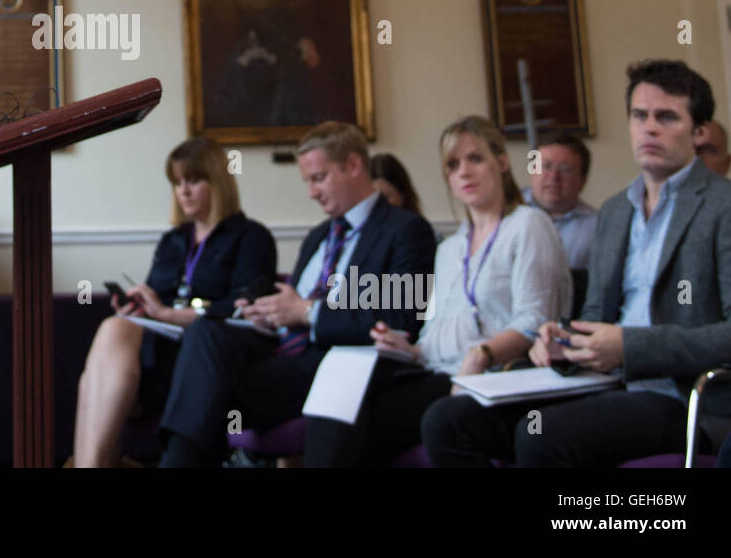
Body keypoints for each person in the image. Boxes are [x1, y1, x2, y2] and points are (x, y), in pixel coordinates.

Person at [422, 60, 731, 467]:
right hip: (600, 383)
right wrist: (560, 339)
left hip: (679, 395)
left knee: (542, 436)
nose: (649, 128)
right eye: (639, 115)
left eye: (666, 117)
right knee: (447, 420)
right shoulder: (614, 212)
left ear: (698, 131)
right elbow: (594, 318)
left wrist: (630, 347)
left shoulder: (725, 205)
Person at [156, 121, 436, 467]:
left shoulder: (405, 230)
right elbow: (290, 309)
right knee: (205, 335)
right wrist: (268, 312)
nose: (311, 193)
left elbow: (400, 320)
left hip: (340, 363)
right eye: (307, 181)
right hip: (286, 356)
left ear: (353, 165)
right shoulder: (318, 236)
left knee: (203, 390)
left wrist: (307, 312)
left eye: (318, 178)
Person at [303, 117, 570, 467]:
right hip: (441, 372)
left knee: (362, 423)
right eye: (453, 164)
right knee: (345, 394)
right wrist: (409, 349)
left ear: (502, 163)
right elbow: (435, 332)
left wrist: (481, 354)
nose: (464, 172)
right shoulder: (450, 247)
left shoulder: (528, 225)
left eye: (475, 158)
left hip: (501, 377)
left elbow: (535, 320)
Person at [70, 138, 276, 467]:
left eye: (193, 181)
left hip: (203, 356)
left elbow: (242, 308)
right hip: (154, 353)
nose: (184, 191)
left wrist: (169, 313)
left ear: (218, 182)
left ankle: (93, 463)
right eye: (177, 183)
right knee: (115, 326)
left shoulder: (251, 237)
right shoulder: (173, 240)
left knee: (108, 345)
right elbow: (157, 296)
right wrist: (139, 309)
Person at [209, 0, 320, 128]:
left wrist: (302, 40)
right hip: (257, 70)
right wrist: (299, 44)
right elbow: (267, 22)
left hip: (280, 67)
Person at [522, 131, 598, 270]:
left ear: (583, 181)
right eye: (546, 166)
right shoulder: (505, 210)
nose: (553, 177)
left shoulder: (597, 227)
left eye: (565, 169)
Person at [370, 152, 424, 217]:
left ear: (403, 194)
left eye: (387, 196)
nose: (379, 203)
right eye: (373, 197)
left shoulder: (415, 225)